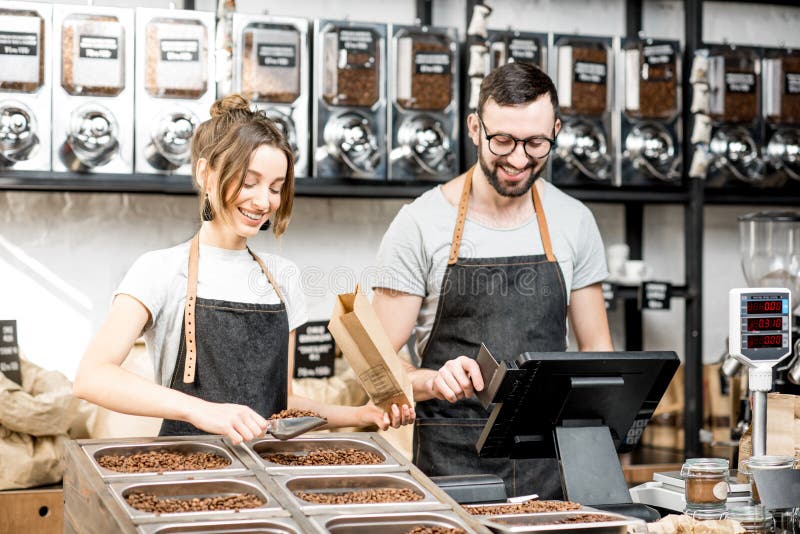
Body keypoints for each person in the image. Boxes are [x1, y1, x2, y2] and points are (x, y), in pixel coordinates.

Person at [74, 94, 413, 444]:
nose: (263, 201)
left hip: (270, 469)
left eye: (275, 188)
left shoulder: (283, 278)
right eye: (249, 183)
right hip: (190, 472)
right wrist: (198, 409)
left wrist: (357, 415)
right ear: (205, 174)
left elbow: (283, 405)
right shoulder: (159, 269)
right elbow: (92, 377)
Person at [371, 62, 613, 498]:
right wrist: (432, 380)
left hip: (551, 469)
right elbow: (375, 368)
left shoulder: (575, 222)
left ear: (555, 130)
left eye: (536, 143)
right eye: (502, 140)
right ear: (474, 128)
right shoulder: (419, 224)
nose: (519, 159)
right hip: (452, 468)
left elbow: (599, 356)